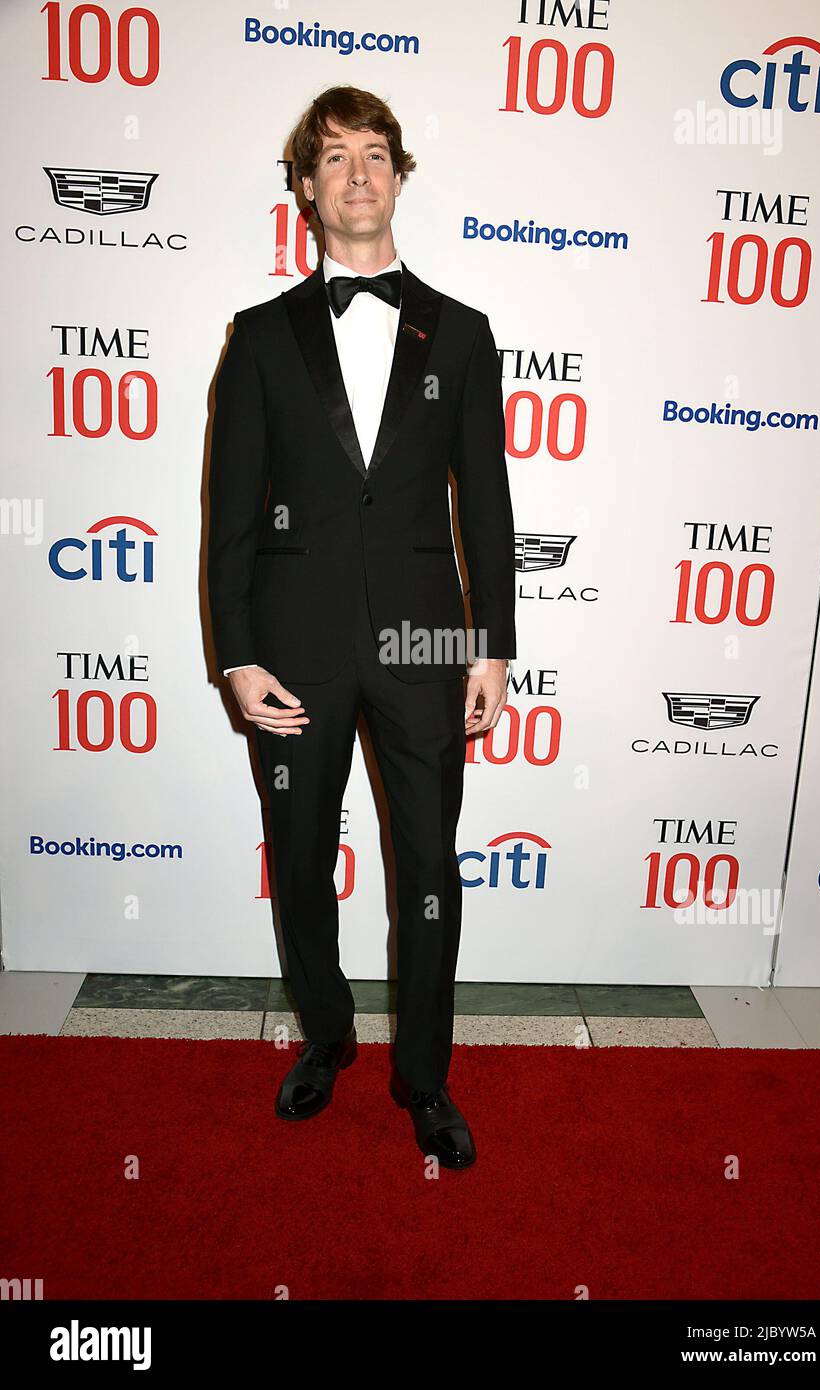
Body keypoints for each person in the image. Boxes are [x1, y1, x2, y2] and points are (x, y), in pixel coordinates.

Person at [208, 85, 516, 1169]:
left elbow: (485, 504)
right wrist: (236, 652)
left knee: (429, 863)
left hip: (427, 650)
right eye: (331, 157)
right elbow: (231, 512)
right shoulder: (257, 339)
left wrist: (492, 645)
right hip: (293, 654)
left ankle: (424, 1078)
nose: (354, 174)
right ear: (303, 184)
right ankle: (326, 1033)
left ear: (398, 174)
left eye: (373, 154)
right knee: (301, 860)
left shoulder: (464, 335)